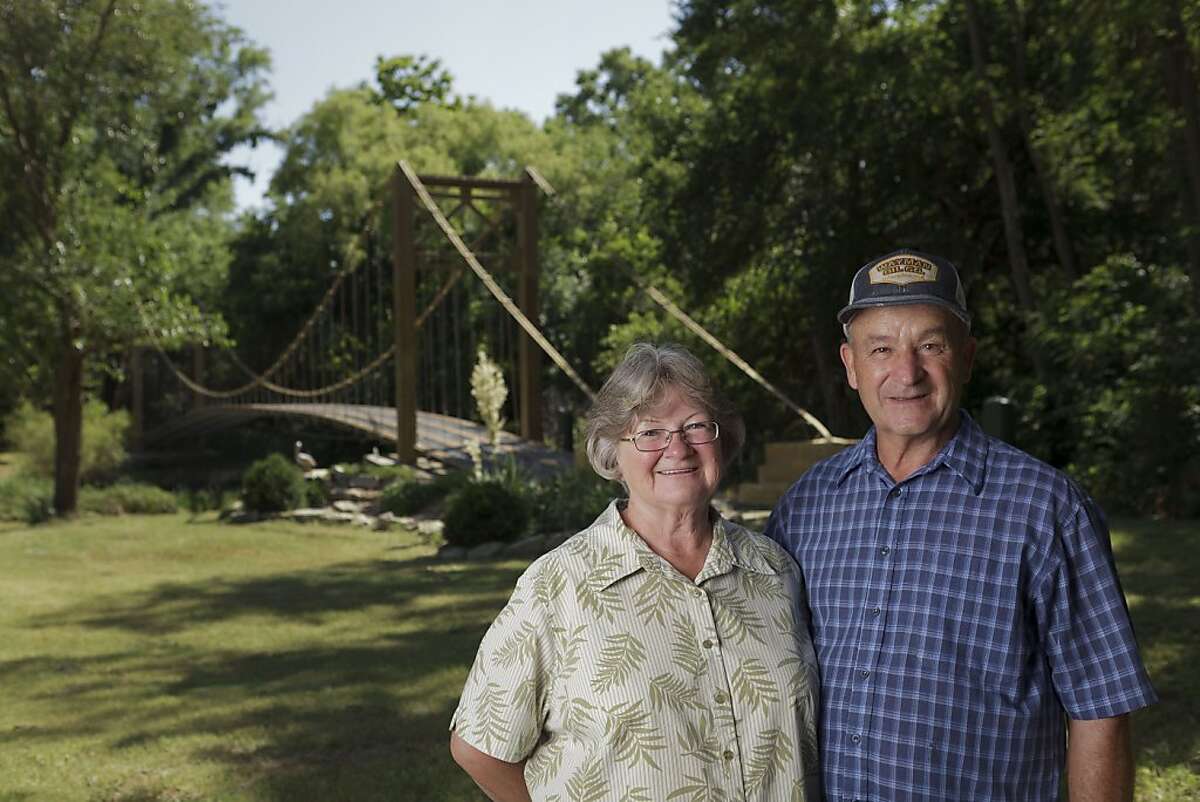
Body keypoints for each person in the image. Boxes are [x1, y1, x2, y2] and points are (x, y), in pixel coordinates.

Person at [764, 248, 1157, 802]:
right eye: (881, 349)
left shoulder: (1046, 509)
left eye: (931, 345)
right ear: (851, 366)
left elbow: (1102, 710)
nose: (907, 372)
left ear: (966, 358)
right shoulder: (805, 507)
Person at [450, 342, 822, 802]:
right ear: (612, 453)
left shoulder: (774, 571)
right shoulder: (557, 585)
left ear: (721, 442)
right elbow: (479, 747)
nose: (677, 448)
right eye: (650, 433)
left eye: (696, 427)